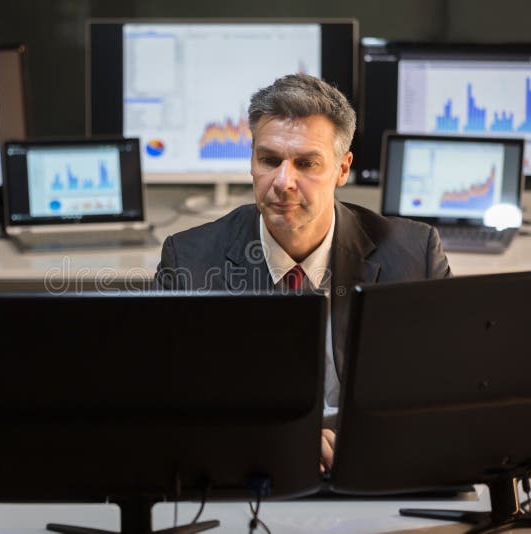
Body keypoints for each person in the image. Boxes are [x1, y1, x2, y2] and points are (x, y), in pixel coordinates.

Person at [155, 73, 452, 473]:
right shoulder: (189, 261)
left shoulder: (414, 255)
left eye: (306, 163)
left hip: (373, 465)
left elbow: (442, 394)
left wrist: (350, 443)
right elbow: (170, 406)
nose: (283, 182)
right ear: (252, 161)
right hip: (248, 469)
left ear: (342, 169)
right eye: (269, 160)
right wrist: (284, 442)